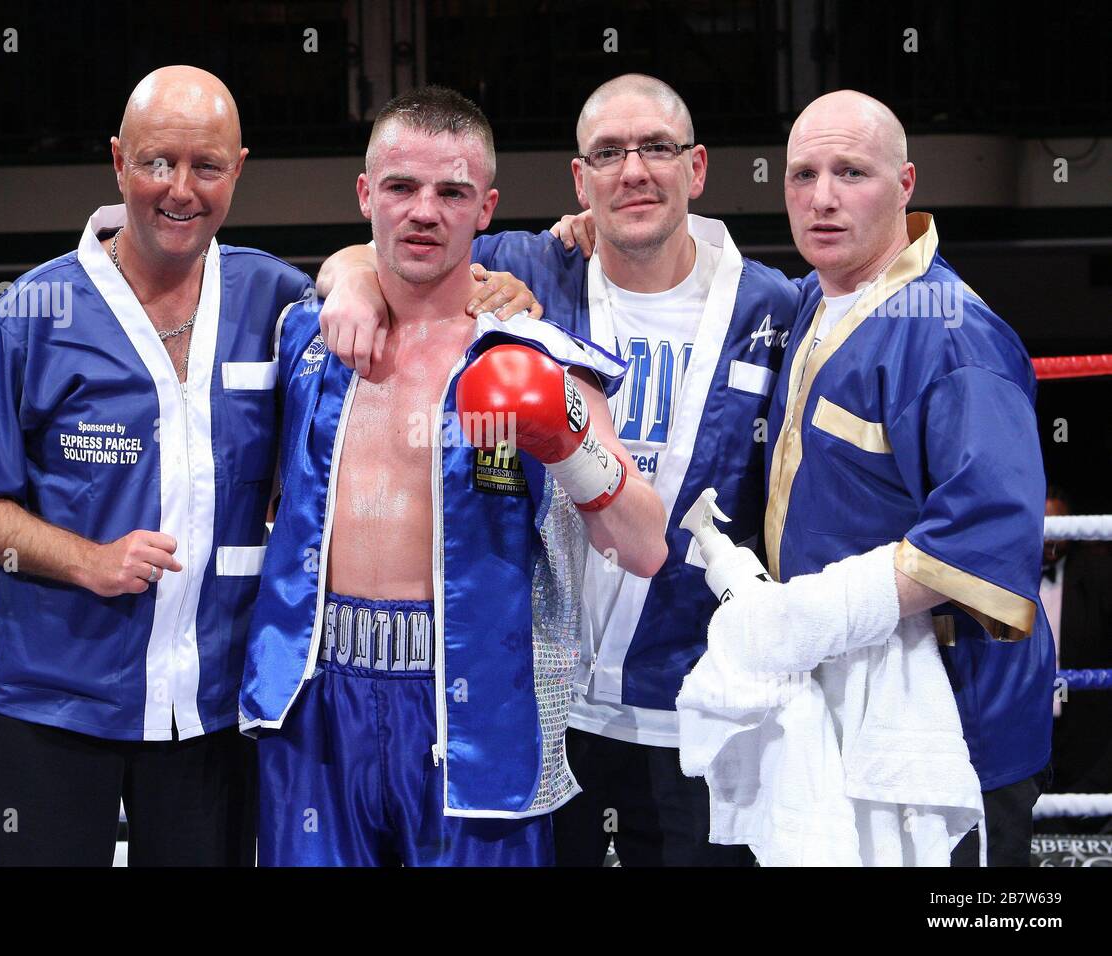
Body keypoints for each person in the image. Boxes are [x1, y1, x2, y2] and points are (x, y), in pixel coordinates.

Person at [317, 74, 799, 866]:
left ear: (699, 167)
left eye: (655, 149)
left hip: (700, 703)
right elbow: (393, 240)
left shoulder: (772, 309)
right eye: (608, 153)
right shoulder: (532, 271)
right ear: (580, 178)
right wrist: (354, 283)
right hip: (548, 705)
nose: (633, 171)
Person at [239, 86, 669, 867]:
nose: (424, 211)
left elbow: (644, 545)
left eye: (452, 192)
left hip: (476, 707)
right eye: (401, 187)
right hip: (314, 699)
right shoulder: (305, 340)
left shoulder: (539, 358)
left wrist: (568, 439)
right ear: (367, 195)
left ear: (486, 208)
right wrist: (349, 278)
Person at [0, 65, 313, 866]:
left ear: (239, 168)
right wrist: (88, 561)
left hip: (214, 707)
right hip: (52, 704)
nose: (180, 189)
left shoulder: (278, 298)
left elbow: (375, 289)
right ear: (117, 161)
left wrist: (488, 280)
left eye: (206, 166)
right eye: (156, 163)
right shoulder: (36, 309)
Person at [752, 90, 1052, 865]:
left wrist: (819, 611)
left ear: (907, 184)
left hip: (951, 725)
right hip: (847, 708)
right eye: (802, 174)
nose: (821, 198)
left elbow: (989, 531)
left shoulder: (954, 334)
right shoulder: (821, 304)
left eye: (851, 172)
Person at [1043, 485, 1112, 805]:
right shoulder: (1006, 576)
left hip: (1084, 724)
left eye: (1058, 525)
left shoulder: (1098, 577)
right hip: (1024, 720)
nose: (1051, 537)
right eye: (1043, 525)